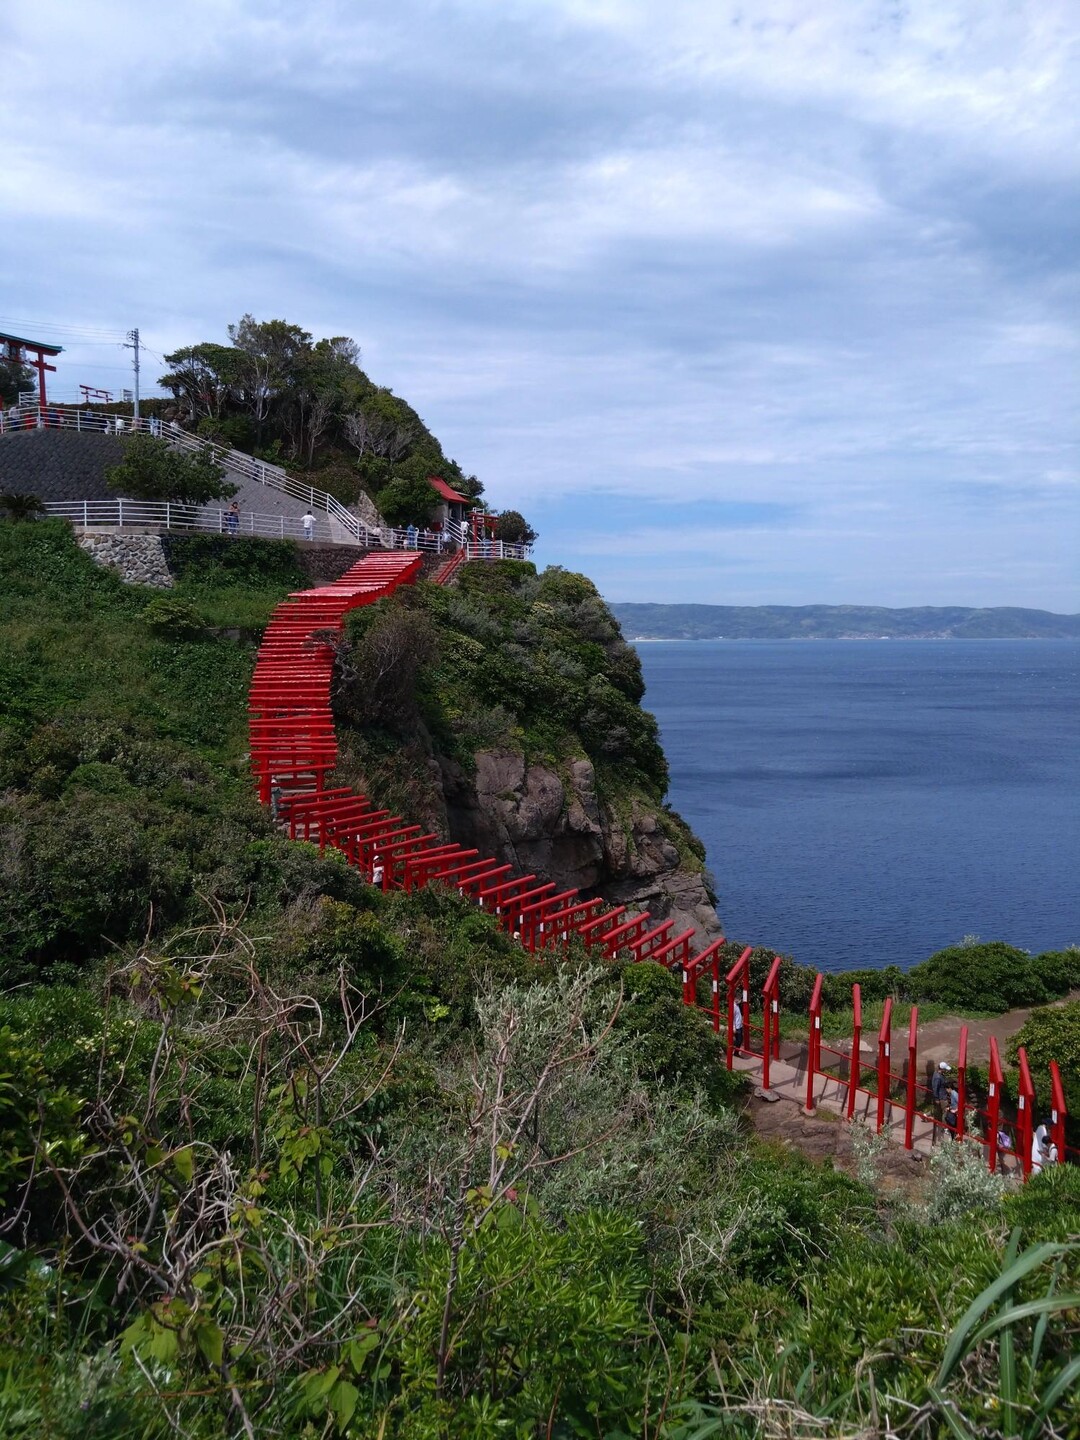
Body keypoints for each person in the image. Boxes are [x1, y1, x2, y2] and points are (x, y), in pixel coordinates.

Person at [931, 1061, 951, 1126]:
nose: (946, 1071)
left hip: (941, 1095)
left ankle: (927, 1115)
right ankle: (944, 1127)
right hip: (942, 1097)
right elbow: (935, 1088)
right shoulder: (938, 1077)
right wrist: (936, 1098)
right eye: (945, 1069)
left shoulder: (937, 1074)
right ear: (942, 1069)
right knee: (945, 1112)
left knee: (938, 1110)